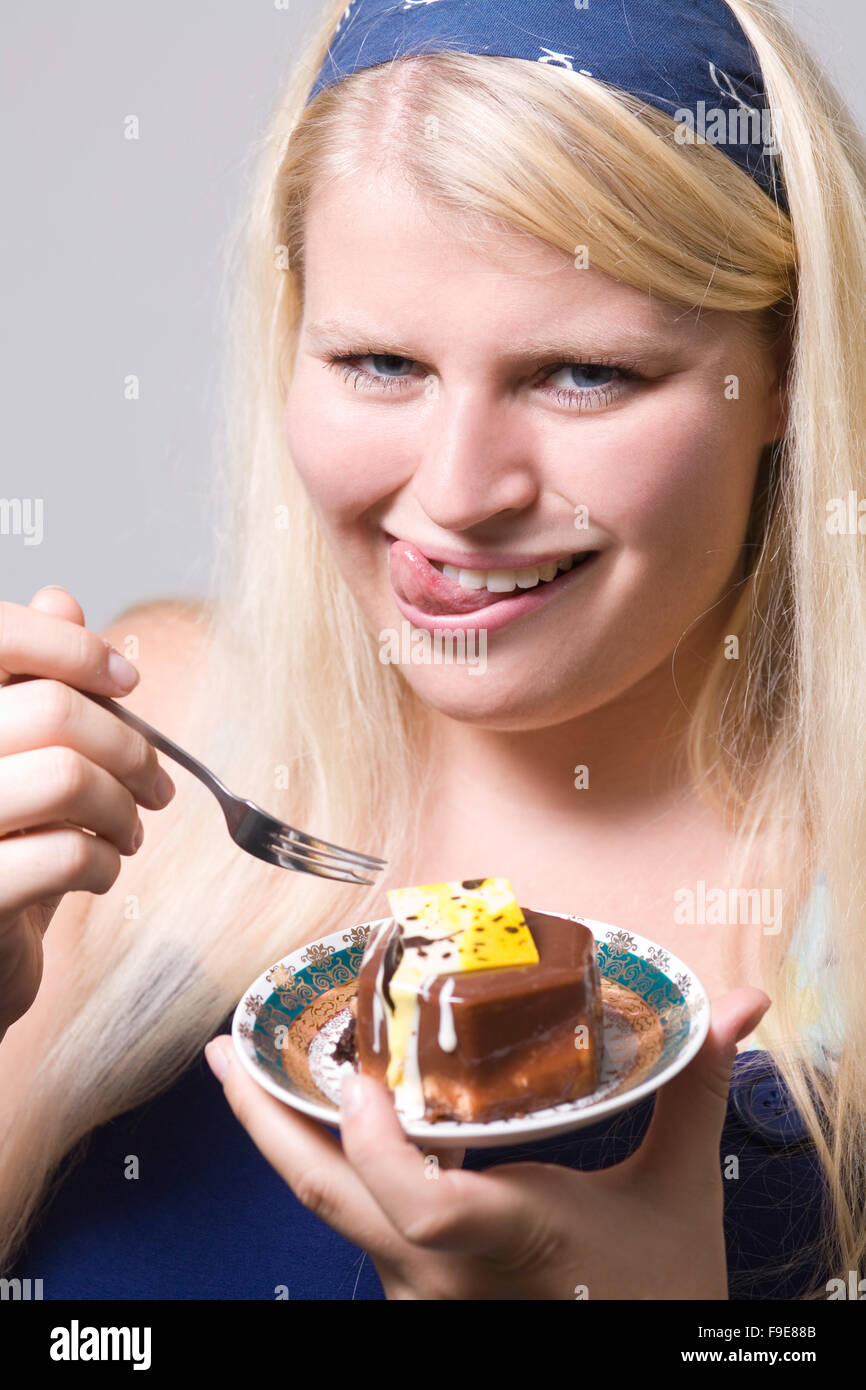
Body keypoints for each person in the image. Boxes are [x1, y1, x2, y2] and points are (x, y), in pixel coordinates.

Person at [0, 0, 864, 1299]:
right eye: (380, 361)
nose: (457, 493)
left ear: (783, 367)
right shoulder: (138, 766)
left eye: (583, 373)